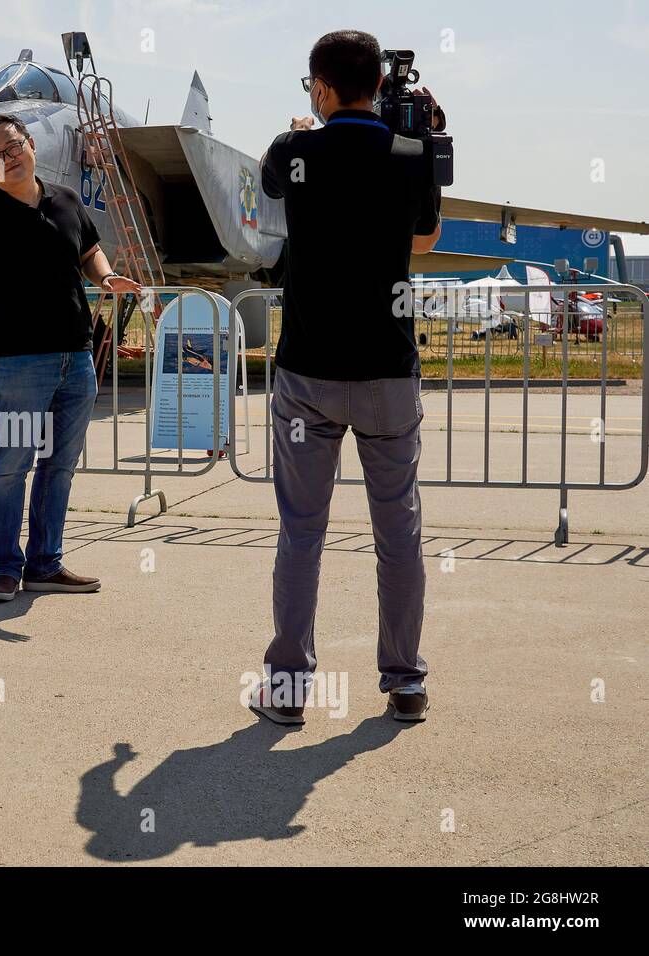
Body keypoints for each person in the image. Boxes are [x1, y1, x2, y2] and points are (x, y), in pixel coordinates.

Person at [248, 30, 442, 725]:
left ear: (321, 87)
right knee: (400, 533)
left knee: (302, 530)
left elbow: (272, 185)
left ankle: (291, 688)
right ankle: (406, 681)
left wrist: (305, 128)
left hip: (309, 372)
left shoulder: (292, 149)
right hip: (388, 370)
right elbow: (423, 242)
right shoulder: (412, 153)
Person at [0, 113, 141, 602]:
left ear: (31, 144)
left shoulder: (64, 199)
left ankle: (45, 564)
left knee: (59, 466)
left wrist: (105, 278)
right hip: (21, 363)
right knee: (11, 466)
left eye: (13, 145)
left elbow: (88, 251)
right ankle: (4, 568)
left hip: (76, 358)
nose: (7, 157)